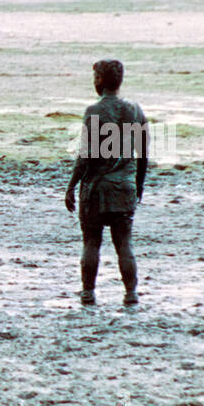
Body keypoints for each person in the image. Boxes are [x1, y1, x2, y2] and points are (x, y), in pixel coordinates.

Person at [65, 59, 148, 306]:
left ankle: (88, 292)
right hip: (124, 187)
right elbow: (143, 153)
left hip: (97, 189)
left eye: (95, 77)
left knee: (91, 241)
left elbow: (86, 155)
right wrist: (138, 185)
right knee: (124, 243)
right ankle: (131, 293)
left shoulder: (94, 111)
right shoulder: (135, 109)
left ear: (99, 81)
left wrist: (71, 186)